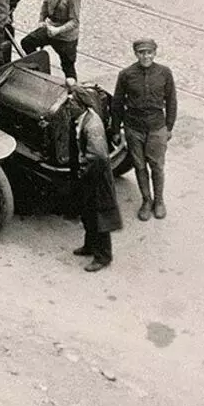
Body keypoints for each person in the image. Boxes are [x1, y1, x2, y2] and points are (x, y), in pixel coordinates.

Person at [111, 38, 178, 222]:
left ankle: (159, 201)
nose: (145, 56)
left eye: (149, 52)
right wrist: (116, 129)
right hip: (134, 128)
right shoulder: (126, 74)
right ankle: (146, 200)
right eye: (142, 52)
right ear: (136, 54)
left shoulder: (164, 73)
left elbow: (171, 101)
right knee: (139, 166)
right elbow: (117, 103)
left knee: (157, 166)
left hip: (157, 127)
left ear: (155, 53)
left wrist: (169, 127)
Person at [70, 84, 122, 272]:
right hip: (90, 175)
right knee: (88, 213)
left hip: (97, 177)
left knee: (100, 215)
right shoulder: (82, 118)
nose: (69, 105)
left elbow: (98, 156)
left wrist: (84, 170)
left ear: (81, 105)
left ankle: (103, 257)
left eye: (72, 102)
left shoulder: (92, 126)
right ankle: (90, 246)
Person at [21, 0, 81, 80]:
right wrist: (41, 21)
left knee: (68, 67)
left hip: (66, 38)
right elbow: (44, 6)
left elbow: (75, 21)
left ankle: (73, 92)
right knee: (27, 42)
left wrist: (57, 30)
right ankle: (40, 72)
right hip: (50, 30)